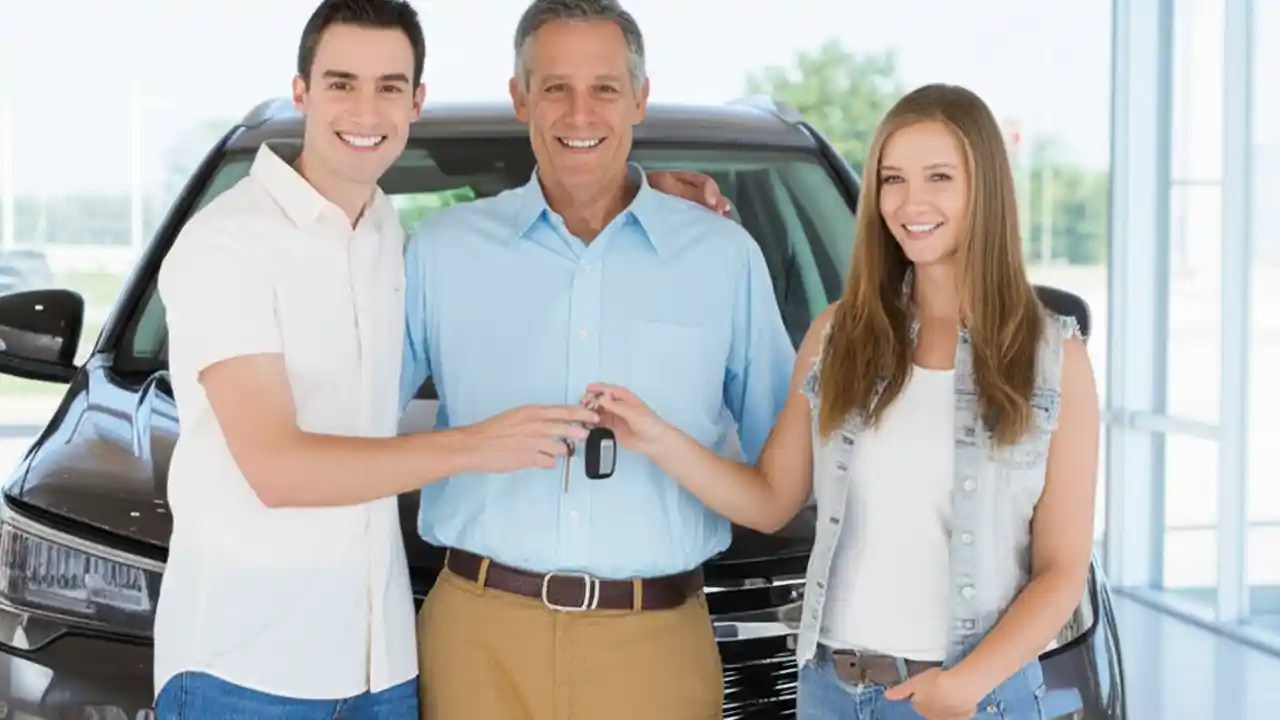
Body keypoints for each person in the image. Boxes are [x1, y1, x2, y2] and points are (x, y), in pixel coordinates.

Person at [153, 0, 726, 717]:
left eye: (390, 86)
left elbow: (555, 192)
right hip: (247, 668)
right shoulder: (228, 244)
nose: (366, 108)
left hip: (382, 664)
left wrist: (639, 192)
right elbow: (276, 467)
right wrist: (474, 447)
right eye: (341, 82)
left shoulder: (389, 236)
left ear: (415, 101)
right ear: (301, 93)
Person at [588, 83, 1101, 720]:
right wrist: (653, 436)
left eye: (939, 177)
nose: (911, 202)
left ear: (984, 188)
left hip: (970, 699)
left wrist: (965, 686)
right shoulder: (838, 334)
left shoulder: (1053, 358)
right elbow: (771, 498)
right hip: (832, 690)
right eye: (892, 179)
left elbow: (1063, 567)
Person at [397, 1, 796, 717]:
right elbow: (347, 422)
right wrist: (467, 447)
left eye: (605, 89)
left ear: (639, 97)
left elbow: (780, 485)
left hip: (656, 645)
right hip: (477, 639)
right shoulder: (440, 251)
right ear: (520, 97)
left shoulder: (722, 259)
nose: (580, 114)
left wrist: (666, 445)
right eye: (555, 87)